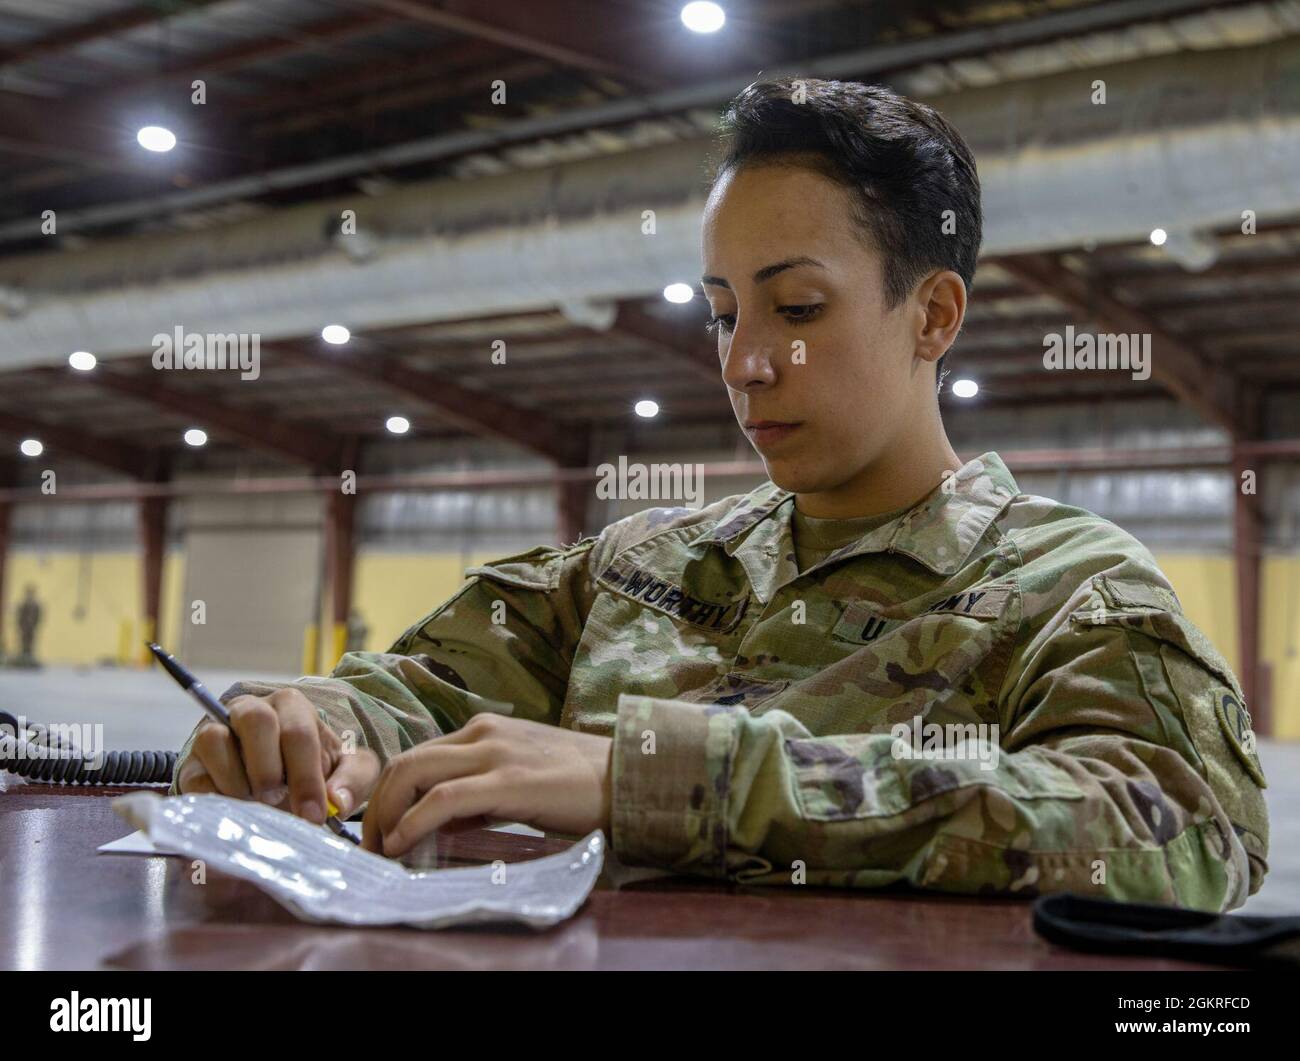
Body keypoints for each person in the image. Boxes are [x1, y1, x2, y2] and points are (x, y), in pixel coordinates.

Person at [172, 77, 1267, 912]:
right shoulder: (635, 567)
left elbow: (1185, 826)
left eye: (797, 310)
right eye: (722, 313)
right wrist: (306, 732)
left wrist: (657, 775)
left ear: (933, 315)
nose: (744, 362)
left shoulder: (1067, 588)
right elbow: (420, 687)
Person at [16, 585, 42, 665]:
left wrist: (35, 624)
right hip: (24, 627)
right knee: (23, 641)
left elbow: (38, 616)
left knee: (31, 641)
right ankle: (23, 657)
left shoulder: (36, 605)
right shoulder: (23, 604)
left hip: (32, 627)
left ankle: (30, 657)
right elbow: (20, 615)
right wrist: (21, 625)